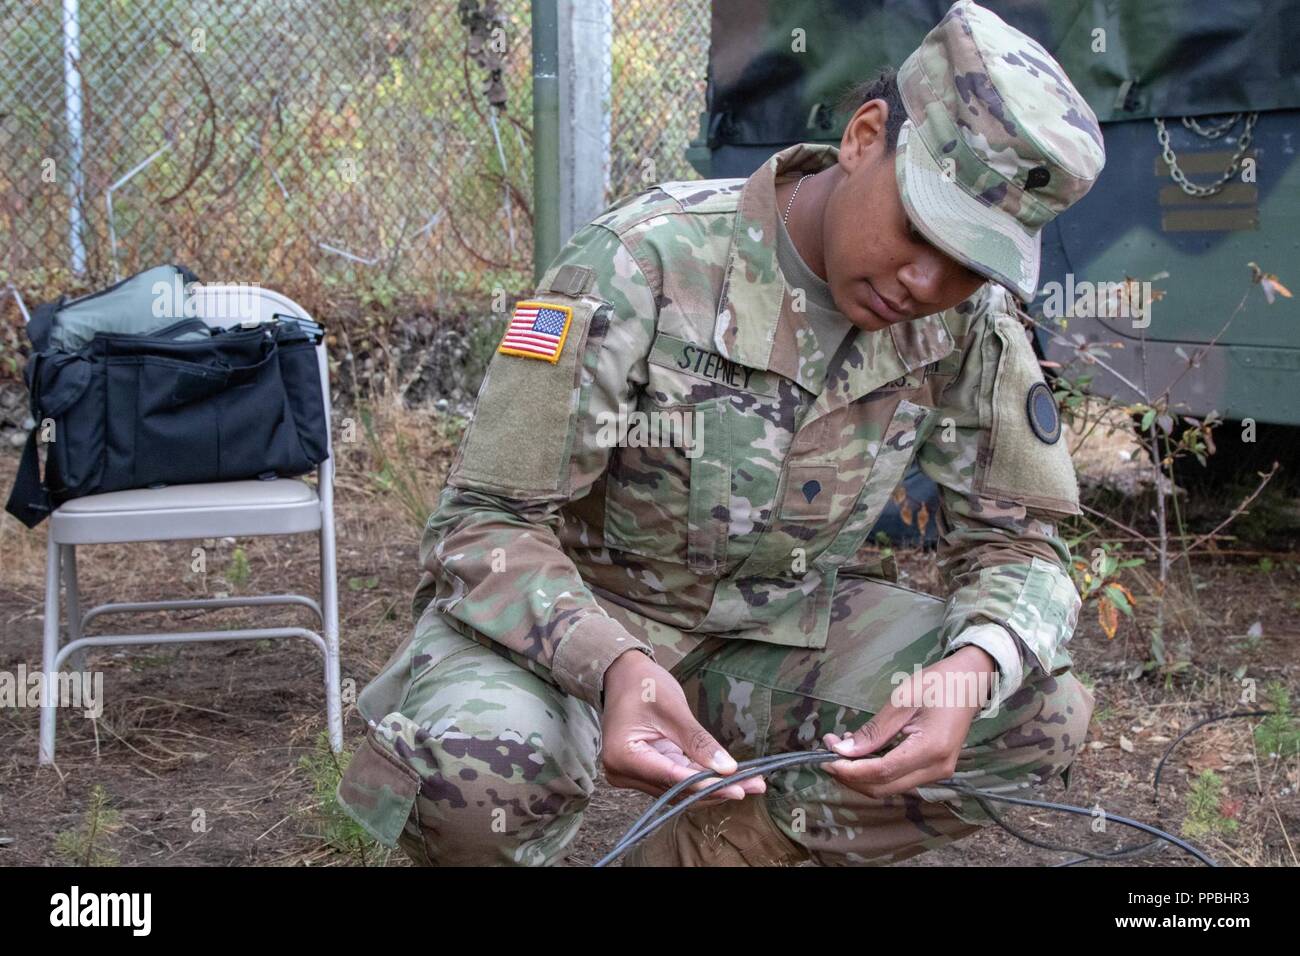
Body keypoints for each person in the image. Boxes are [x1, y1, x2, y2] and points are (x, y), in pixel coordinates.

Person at [337, 0, 1106, 866]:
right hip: (571, 629)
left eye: (973, 262)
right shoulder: (642, 263)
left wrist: (973, 664)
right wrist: (615, 666)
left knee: (1034, 710)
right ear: (863, 137)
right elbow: (480, 523)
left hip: (768, 642)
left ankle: (707, 854)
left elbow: (1020, 545)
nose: (928, 281)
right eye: (922, 228)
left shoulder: (969, 323)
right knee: (479, 777)